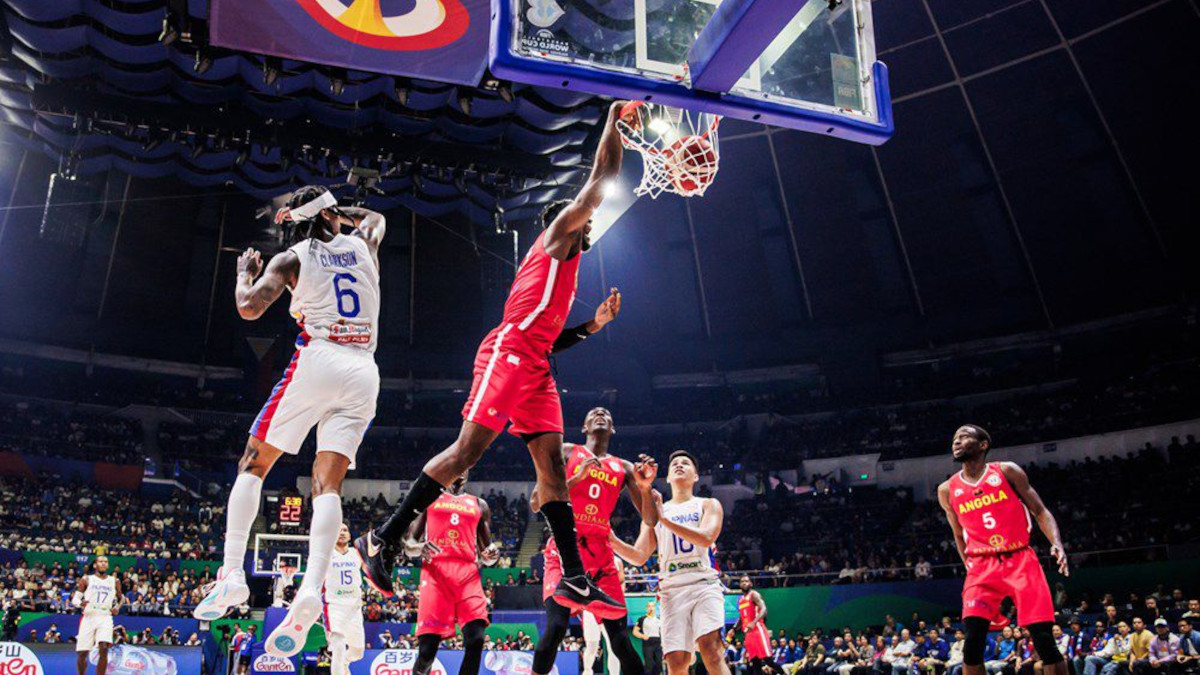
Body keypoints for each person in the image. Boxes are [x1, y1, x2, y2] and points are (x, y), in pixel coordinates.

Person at [196, 186, 386, 659]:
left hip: (320, 358)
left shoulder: (291, 258)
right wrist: (338, 211)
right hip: (365, 371)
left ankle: (233, 575)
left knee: (254, 463)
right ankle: (307, 596)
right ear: (333, 216)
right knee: (328, 487)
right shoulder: (364, 242)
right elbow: (377, 215)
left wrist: (244, 275)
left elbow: (249, 308)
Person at [938, 426, 1069, 675]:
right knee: (972, 642)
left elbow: (1040, 511)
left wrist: (1056, 542)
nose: (956, 441)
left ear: (983, 444)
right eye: (954, 438)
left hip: (1020, 558)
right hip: (981, 565)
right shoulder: (946, 490)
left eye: (963, 437)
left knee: (1043, 639)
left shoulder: (1007, 471)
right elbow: (958, 533)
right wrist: (968, 563)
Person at [532, 407, 653, 675]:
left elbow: (650, 518)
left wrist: (645, 489)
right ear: (584, 427)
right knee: (555, 629)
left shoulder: (624, 467)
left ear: (613, 429)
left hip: (601, 557)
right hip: (565, 550)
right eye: (594, 413)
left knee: (621, 642)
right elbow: (535, 502)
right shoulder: (566, 451)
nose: (601, 414)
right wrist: (577, 478)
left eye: (607, 413)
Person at [610, 451, 730, 675]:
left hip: (703, 584)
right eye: (675, 463)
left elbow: (706, 537)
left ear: (696, 476)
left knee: (711, 651)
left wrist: (664, 518)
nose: (680, 465)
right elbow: (638, 556)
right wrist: (611, 539)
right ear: (666, 478)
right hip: (671, 591)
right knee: (676, 663)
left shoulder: (708, 504)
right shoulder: (654, 514)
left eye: (686, 463)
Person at [404, 472, 499, 675]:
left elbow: (488, 554)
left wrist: (492, 555)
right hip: (436, 573)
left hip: (468, 574)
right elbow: (409, 544)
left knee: (477, 638)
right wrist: (419, 547)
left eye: (466, 465)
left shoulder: (479, 505)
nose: (461, 469)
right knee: (427, 652)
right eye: (459, 464)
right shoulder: (428, 499)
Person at [324, 523, 366, 675]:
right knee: (339, 645)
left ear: (349, 535)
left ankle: (345, 662)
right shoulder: (325, 554)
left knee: (358, 652)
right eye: (338, 530)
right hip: (334, 606)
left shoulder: (357, 553)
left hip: (354, 608)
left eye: (345, 530)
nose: (342, 532)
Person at [75, 555, 121, 675]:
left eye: (105, 562)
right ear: (95, 565)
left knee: (104, 648)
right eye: (101, 561)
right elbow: (75, 599)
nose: (103, 564)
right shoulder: (86, 579)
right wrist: (80, 603)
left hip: (105, 616)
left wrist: (117, 607)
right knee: (82, 653)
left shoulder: (114, 581)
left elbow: (122, 598)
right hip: (89, 615)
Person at [739, 575, 781, 675]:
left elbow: (764, 610)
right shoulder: (740, 600)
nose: (744, 583)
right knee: (755, 663)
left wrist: (753, 622)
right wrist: (733, 628)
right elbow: (741, 618)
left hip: (758, 630)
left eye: (746, 581)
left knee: (767, 660)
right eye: (742, 581)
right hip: (748, 634)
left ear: (751, 583)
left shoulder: (754, 594)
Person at [635, 601, 664, 675]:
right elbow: (635, 632)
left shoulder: (659, 619)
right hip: (648, 643)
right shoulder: (642, 619)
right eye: (649, 606)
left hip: (658, 642)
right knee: (649, 664)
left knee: (659, 663)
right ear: (646, 608)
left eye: (652, 606)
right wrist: (642, 636)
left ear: (655, 608)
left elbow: (663, 632)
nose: (651, 608)